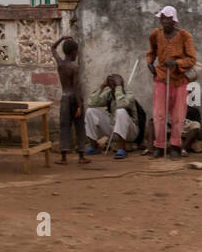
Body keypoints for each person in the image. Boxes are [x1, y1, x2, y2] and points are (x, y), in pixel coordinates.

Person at [145, 6, 196, 158]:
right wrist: (149, 63)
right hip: (161, 77)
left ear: (174, 21)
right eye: (163, 18)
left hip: (179, 79)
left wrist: (176, 63)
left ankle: (175, 146)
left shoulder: (184, 36)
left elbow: (192, 59)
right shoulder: (155, 34)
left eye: (168, 19)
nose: (165, 22)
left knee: (178, 115)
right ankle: (159, 146)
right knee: (159, 114)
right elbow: (151, 52)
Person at [52, 35, 87, 165]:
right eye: (76, 52)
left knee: (64, 127)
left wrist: (61, 38)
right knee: (79, 127)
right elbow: (76, 87)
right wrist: (79, 105)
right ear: (73, 53)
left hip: (64, 98)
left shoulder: (60, 64)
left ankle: (64, 158)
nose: (76, 54)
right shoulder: (74, 67)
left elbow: (52, 47)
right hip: (74, 98)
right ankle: (81, 156)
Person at [83, 74, 138, 159]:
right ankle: (94, 146)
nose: (113, 87)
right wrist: (103, 86)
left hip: (130, 132)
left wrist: (118, 88)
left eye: (114, 84)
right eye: (111, 85)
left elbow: (120, 104)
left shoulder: (129, 95)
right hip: (114, 130)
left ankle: (121, 149)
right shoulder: (109, 94)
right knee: (90, 111)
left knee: (120, 111)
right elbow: (91, 102)